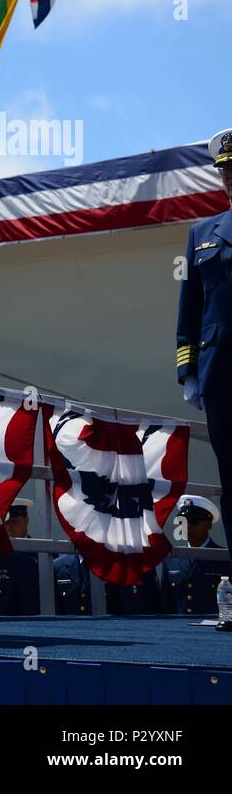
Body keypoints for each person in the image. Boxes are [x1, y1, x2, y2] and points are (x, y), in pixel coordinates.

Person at [176, 129, 232, 532]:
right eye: (224, 170)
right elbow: (190, 309)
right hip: (221, 378)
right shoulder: (202, 234)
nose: (229, 177)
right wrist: (189, 371)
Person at [160, 494, 226, 616]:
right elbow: (166, 606)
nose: (187, 526)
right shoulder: (171, 560)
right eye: (183, 521)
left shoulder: (224, 558)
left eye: (194, 521)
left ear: (209, 524)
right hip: (180, 631)